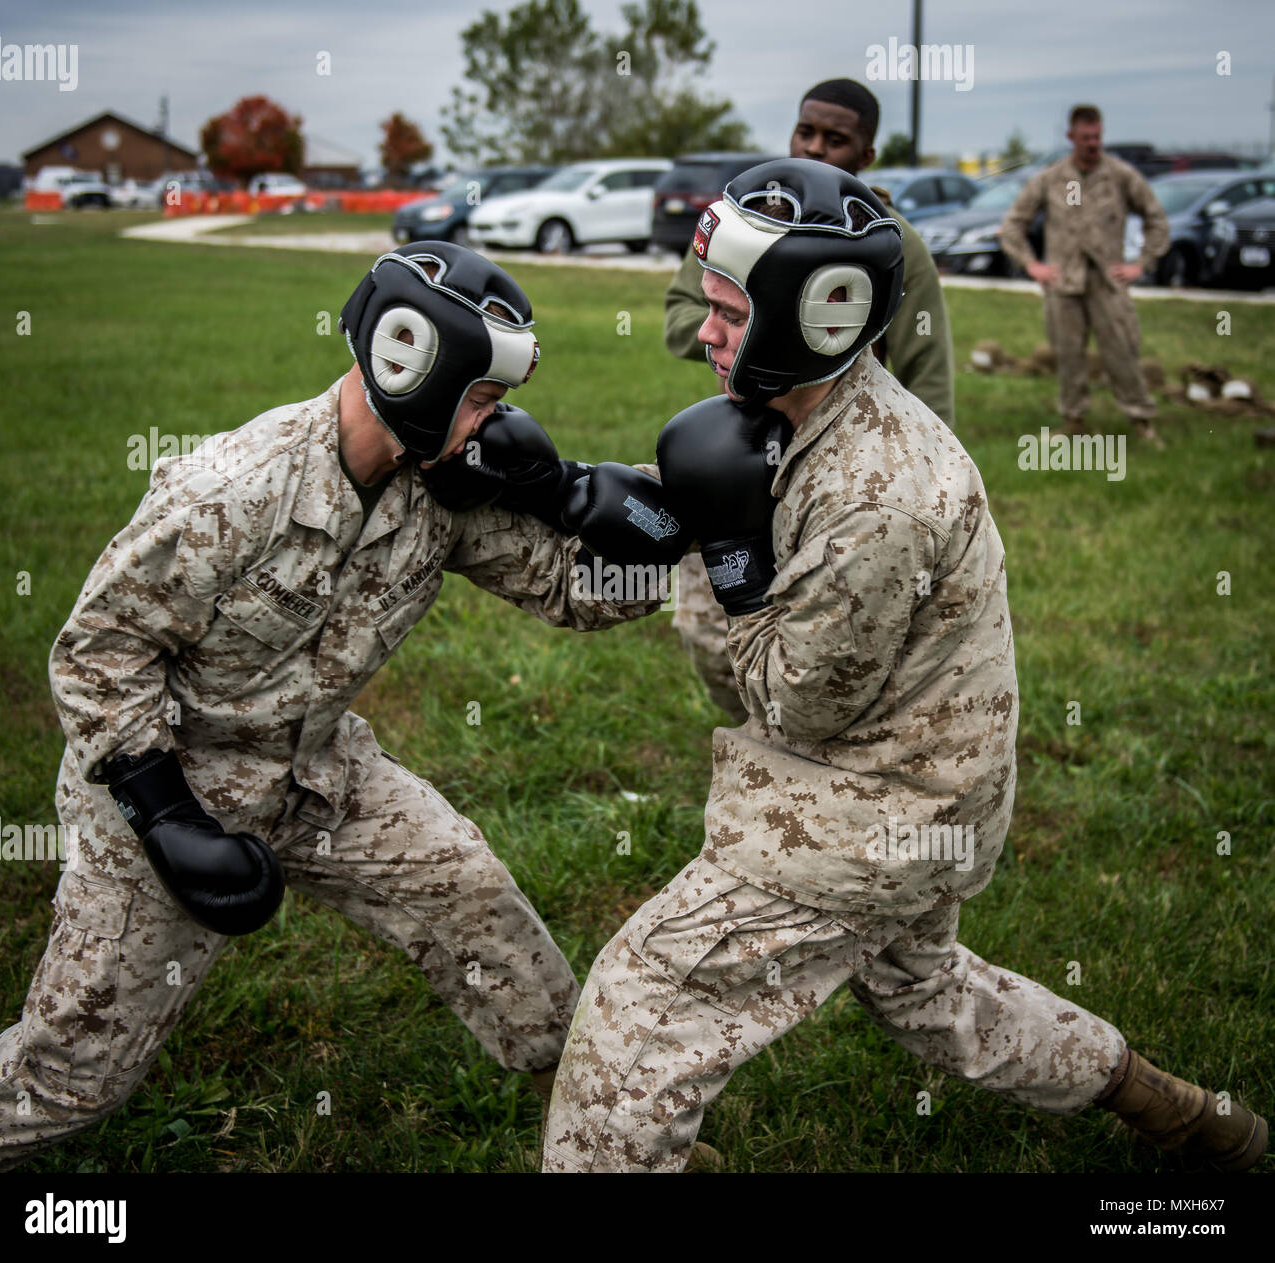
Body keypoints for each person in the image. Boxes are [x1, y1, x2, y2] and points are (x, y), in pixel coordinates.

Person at [540, 160, 1267, 1173]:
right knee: (927, 994)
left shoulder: (879, 492)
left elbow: (791, 705)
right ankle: (1184, 1115)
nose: (703, 331)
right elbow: (621, 568)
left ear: (815, 320)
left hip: (880, 807)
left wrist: (723, 560)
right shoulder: (788, 420)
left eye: (725, 310)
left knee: (642, 1003)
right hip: (929, 788)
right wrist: (547, 490)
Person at [0, 242, 684, 1170]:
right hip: (170, 783)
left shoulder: (442, 484)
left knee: (474, 903)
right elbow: (99, 652)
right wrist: (165, 814)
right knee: (73, 1070)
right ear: (409, 367)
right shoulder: (231, 491)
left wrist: (599, 506)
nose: (495, 423)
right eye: (480, 399)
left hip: (321, 771)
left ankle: (597, 1122)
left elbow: (570, 593)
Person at [664, 78, 954, 723]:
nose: (817, 148)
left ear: (867, 154)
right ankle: (760, 735)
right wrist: (750, 334)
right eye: (806, 132)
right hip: (737, 452)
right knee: (710, 629)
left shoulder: (892, 247)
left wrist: (928, 483)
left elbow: (928, 372)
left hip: (841, 454)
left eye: (837, 138)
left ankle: (812, 751)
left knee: (827, 651)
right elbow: (680, 318)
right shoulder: (742, 223)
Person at [1000, 104, 1170, 447]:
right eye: (1085, 137)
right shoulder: (1051, 179)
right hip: (1064, 282)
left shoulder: (1121, 176)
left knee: (1122, 350)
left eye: (1097, 136)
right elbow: (1012, 225)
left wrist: (1140, 263)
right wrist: (1033, 265)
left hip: (1108, 282)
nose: (1092, 143)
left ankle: (1142, 422)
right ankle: (1074, 420)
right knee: (1069, 354)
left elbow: (1158, 221)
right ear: (1071, 137)